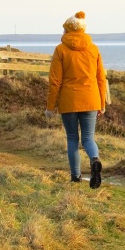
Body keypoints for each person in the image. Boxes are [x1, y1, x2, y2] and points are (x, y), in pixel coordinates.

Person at [46, 11, 107, 188]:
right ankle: (94, 160)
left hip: (69, 100)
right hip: (91, 99)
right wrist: (101, 103)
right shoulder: (93, 48)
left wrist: (51, 106)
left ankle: (76, 177)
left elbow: (54, 81)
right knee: (88, 137)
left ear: (67, 30)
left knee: (72, 139)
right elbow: (101, 78)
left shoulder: (60, 50)